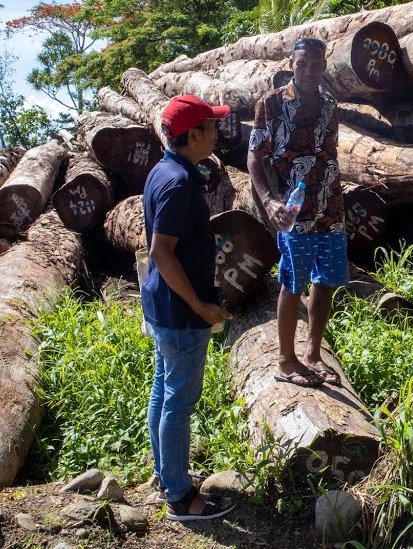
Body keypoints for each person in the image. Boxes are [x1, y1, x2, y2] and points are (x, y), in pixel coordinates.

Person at [142, 94, 236, 521]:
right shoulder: (179, 183)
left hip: (163, 305)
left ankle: (168, 474)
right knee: (178, 403)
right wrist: (199, 305)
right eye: (212, 127)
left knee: (164, 392)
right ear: (193, 135)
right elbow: (161, 252)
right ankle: (181, 497)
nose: (217, 133)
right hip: (181, 312)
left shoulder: (164, 170)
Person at [247, 36, 349, 388]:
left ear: (324, 66)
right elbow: (254, 155)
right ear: (291, 64)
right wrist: (269, 201)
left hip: (331, 205)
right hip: (293, 211)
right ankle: (285, 360)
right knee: (292, 282)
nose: (309, 71)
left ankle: (313, 354)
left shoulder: (330, 104)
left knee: (326, 280)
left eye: (316, 65)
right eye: (302, 64)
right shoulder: (272, 103)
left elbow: (329, 153)